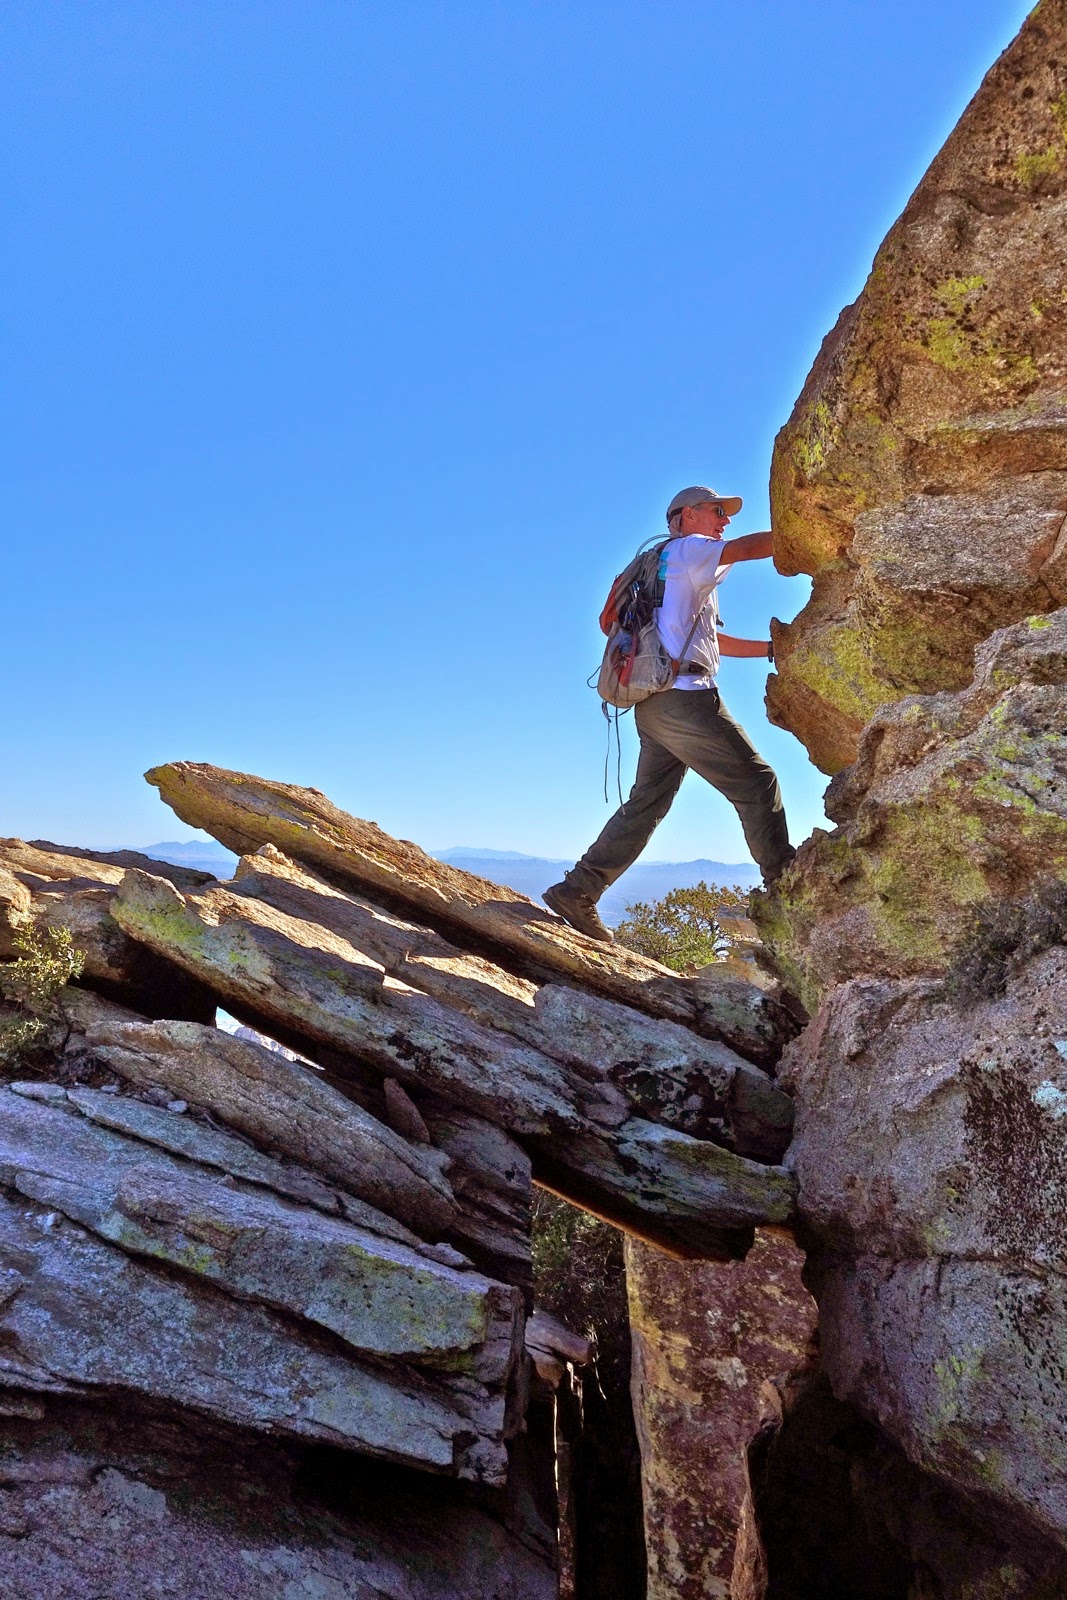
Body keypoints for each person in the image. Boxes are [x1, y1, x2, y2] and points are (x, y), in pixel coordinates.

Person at [544, 485, 795, 943]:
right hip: (685, 699)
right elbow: (746, 548)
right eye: (716, 511)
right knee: (758, 784)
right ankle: (791, 891)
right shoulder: (690, 550)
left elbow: (709, 645)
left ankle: (578, 889)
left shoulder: (669, 566)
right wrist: (804, 531)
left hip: (652, 704)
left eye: (727, 513)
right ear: (684, 517)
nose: (725, 519)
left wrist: (773, 650)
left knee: (647, 804)